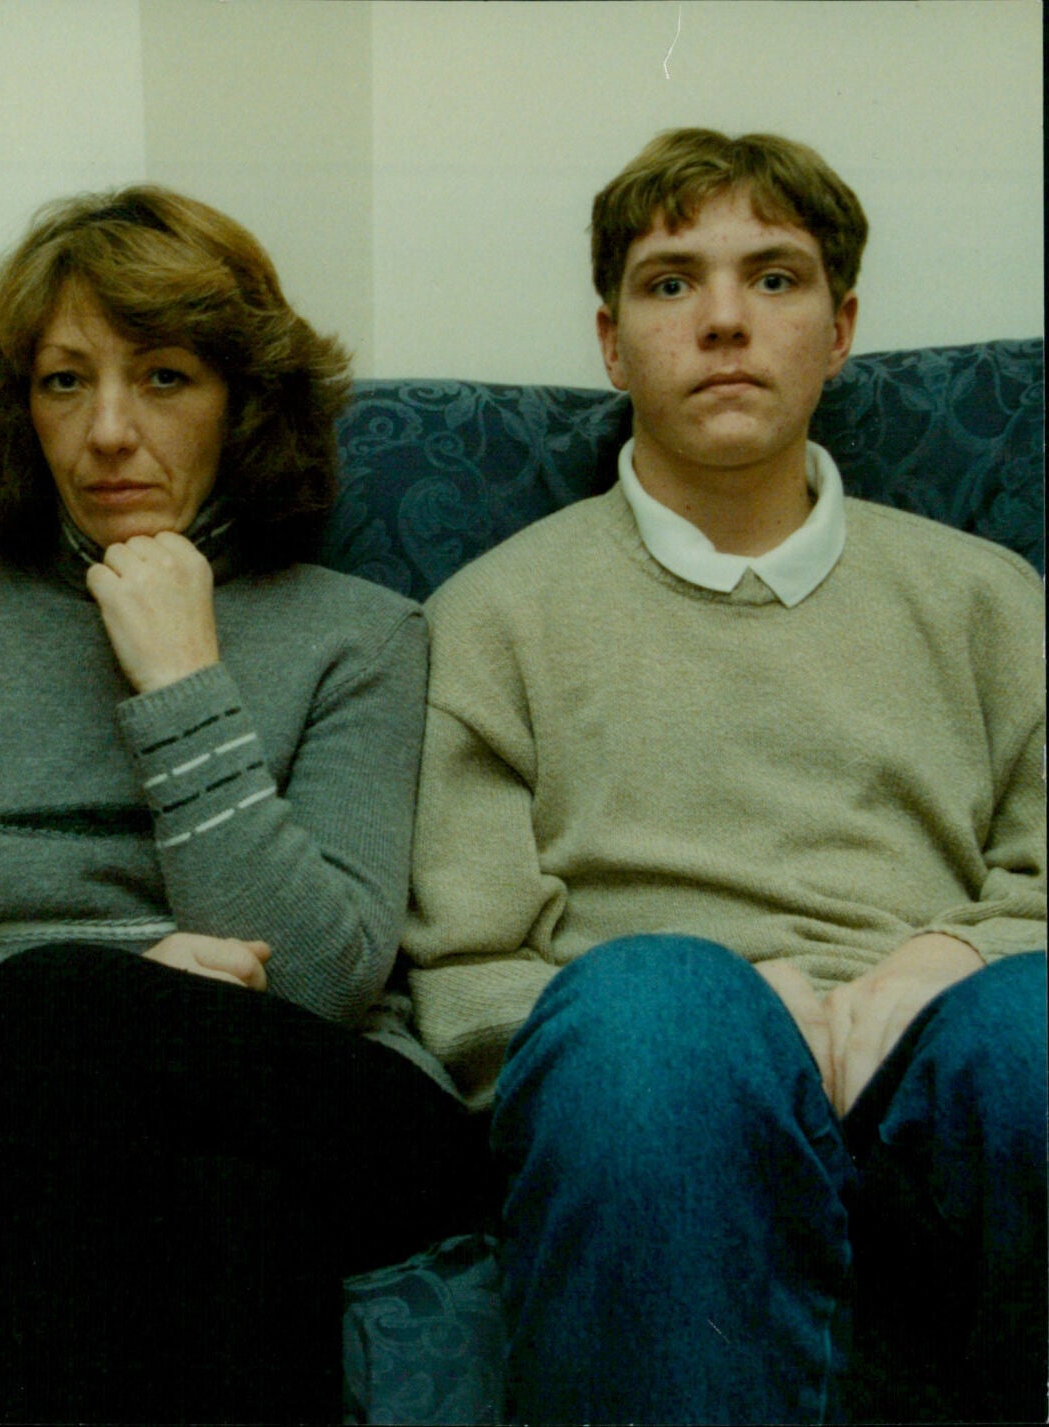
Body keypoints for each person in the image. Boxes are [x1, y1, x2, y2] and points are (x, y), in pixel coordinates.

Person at [402, 128, 1046, 1423]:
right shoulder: (493, 612)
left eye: (774, 277)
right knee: (660, 1009)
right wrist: (722, 1004)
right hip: (656, 1093)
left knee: (1032, 1028)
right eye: (670, 281)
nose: (724, 322)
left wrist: (951, 957)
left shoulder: (985, 596)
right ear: (609, 340)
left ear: (841, 326)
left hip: (940, 1070)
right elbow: (470, 973)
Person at [0, 184, 490, 1425]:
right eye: (65, 382)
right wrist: (122, 978)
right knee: (215, 1190)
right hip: (22, 1096)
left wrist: (182, 679)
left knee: (71, 1018)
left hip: (331, 1090)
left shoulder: (359, 634)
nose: (107, 432)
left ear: (243, 403)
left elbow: (329, 974)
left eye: (165, 378)